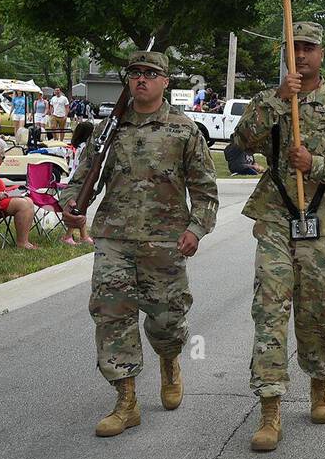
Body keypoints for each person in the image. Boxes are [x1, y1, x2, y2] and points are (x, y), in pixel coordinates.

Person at [228, 23, 325, 452]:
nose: (302, 56)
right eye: (294, 49)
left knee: (319, 310)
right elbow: (239, 143)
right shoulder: (269, 101)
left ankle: (319, 382)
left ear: (321, 54)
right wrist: (279, 100)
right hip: (275, 217)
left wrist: (315, 164)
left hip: (324, 222)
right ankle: (270, 405)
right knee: (270, 307)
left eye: (309, 48)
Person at [59, 51, 219, 438]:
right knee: (112, 315)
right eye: (135, 74)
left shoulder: (184, 130)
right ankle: (126, 401)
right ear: (128, 81)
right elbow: (81, 177)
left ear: (166, 82)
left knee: (166, 318)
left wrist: (195, 229)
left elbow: (205, 191)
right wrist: (70, 207)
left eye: (151, 74)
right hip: (113, 238)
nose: (142, 80)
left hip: (165, 241)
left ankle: (169, 359)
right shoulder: (109, 130)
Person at [62, 122, 95, 246]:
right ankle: (68, 236)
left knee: (81, 207)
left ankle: (83, 236)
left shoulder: (80, 146)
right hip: (78, 181)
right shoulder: (85, 147)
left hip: (77, 179)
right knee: (77, 208)